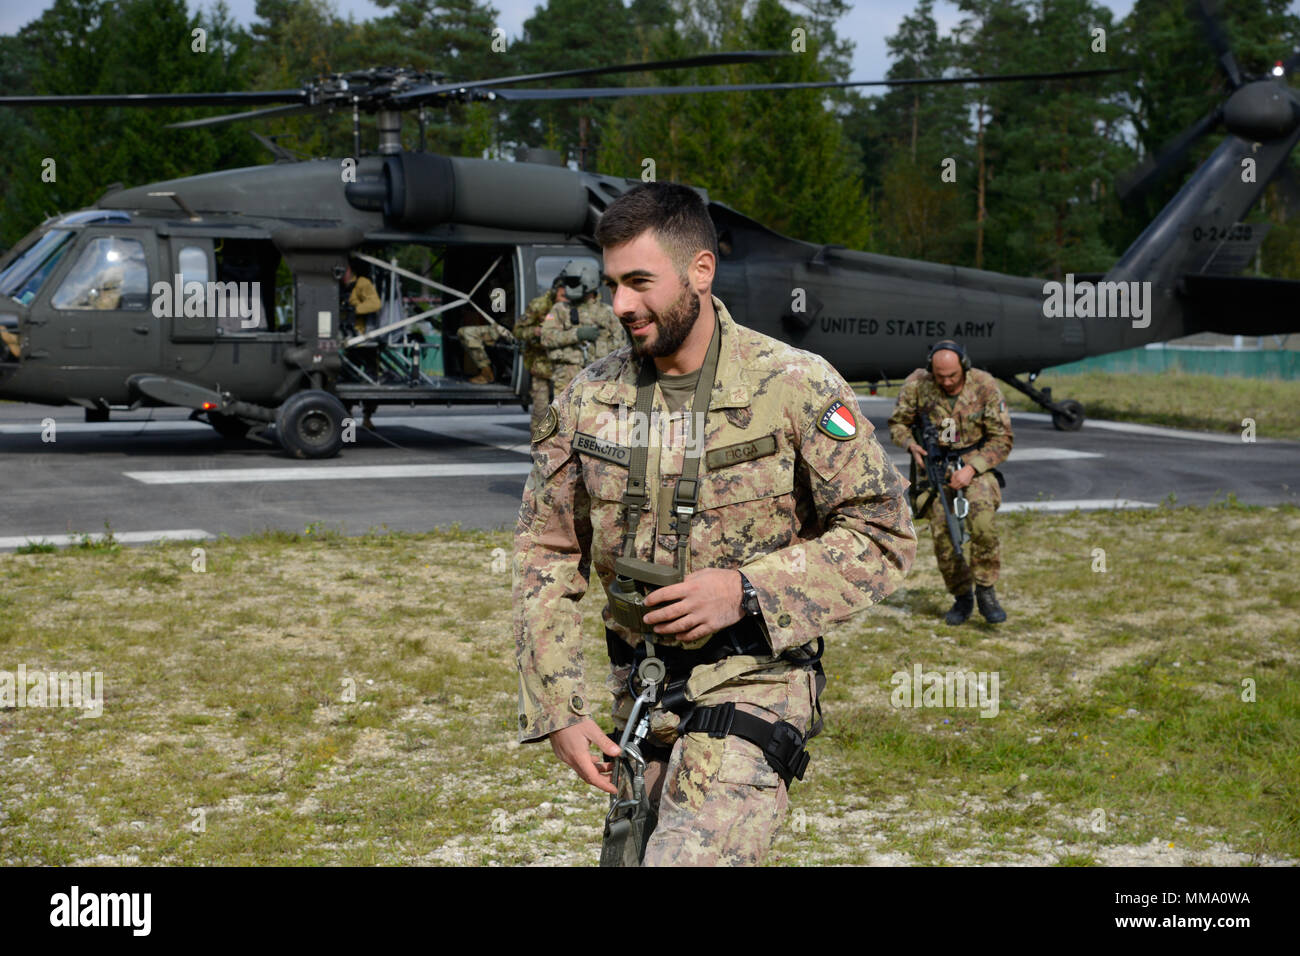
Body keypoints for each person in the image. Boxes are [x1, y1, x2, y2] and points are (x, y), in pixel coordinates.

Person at [513, 182, 916, 866]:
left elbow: (883, 534)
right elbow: (547, 552)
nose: (620, 306)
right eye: (613, 284)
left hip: (756, 679)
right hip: (639, 691)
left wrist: (745, 589)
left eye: (640, 282)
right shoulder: (588, 398)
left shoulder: (795, 385)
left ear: (701, 270)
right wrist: (556, 705)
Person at [887, 340, 1014, 625]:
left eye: (952, 376)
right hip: (936, 468)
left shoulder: (984, 384)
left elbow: (1002, 439)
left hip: (975, 464)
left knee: (982, 525)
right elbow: (897, 423)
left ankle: (985, 590)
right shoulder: (918, 385)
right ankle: (961, 596)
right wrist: (911, 445)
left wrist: (972, 468)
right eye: (940, 376)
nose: (946, 381)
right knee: (945, 538)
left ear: (964, 367)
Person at [537, 259, 626, 396]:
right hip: (566, 380)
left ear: (588, 281)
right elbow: (546, 337)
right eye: (567, 282)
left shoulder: (608, 313)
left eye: (573, 282)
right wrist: (576, 334)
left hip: (600, 379)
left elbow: (620, 348)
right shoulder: (560, 310)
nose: (568, 287)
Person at [514, 278, 565, 428]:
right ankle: (538, 446)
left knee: (564, 410)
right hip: (541, 364)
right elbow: (518, 331)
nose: (566, 299)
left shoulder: (574, 306)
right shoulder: (539, 305)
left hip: (564, 365)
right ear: (555, 293)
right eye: (562, 295)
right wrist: (535, 331)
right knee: (540, 410)